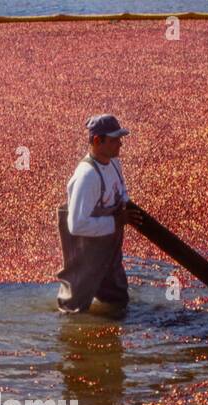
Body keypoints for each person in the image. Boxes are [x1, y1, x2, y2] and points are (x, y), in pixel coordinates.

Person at [56, 114, 145, 313]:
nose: (120, 144)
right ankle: (70, 335)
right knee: (74, 306)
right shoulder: (87, 176)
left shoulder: (114, 163)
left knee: (117, 297)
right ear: (97, 141)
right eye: (114, 140)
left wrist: (126, 204)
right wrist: (118, 221)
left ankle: (115, 321)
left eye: (120, 139)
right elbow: (77, 225)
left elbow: (121, 190)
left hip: (109, 245)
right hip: (86, 249)